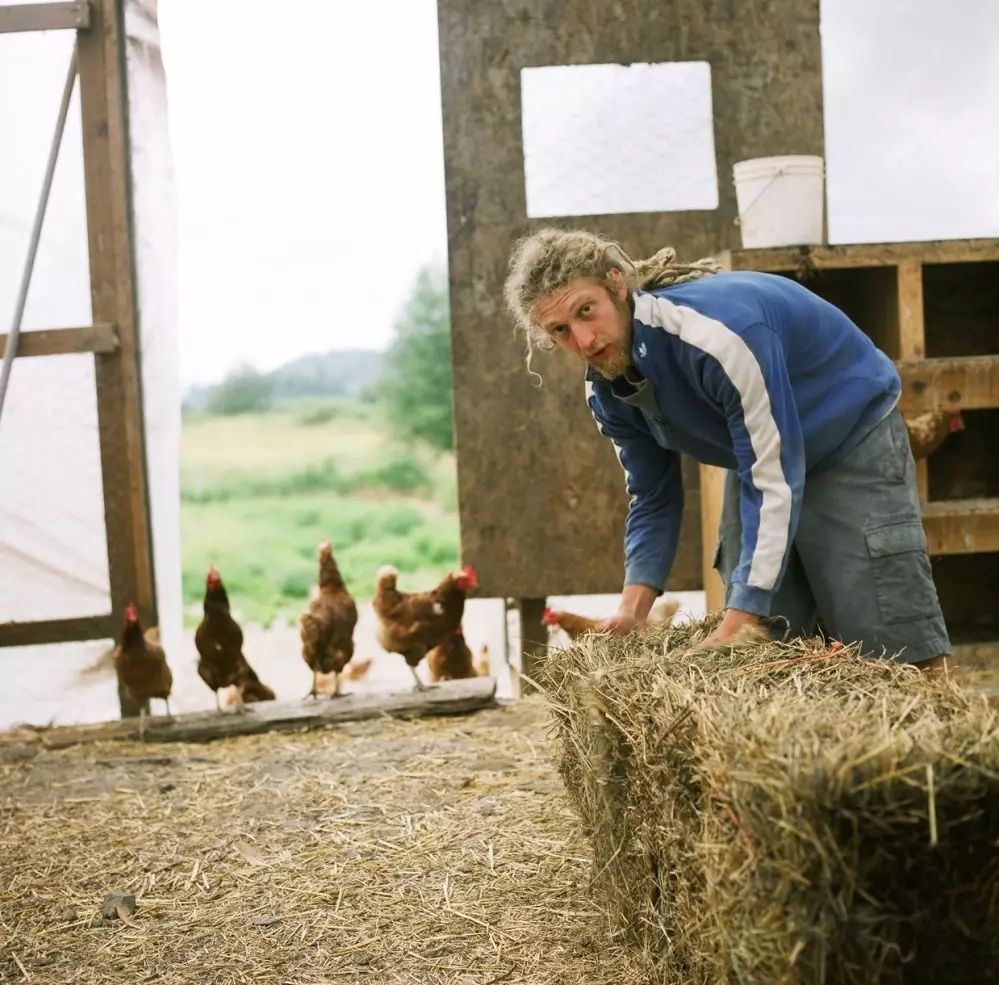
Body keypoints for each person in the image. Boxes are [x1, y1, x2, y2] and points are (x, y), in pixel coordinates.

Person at [504, 227, 950, 670]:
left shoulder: (715, 339)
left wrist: (742, 618)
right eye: (560, 330)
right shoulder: (605, 390)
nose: (583, 340)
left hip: (846, 435)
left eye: (587, 311)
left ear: (617, 284)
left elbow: (773, 474)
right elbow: (654, 496)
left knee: (881, 632)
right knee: (770, 638)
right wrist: (632, 609)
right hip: (757, 453)